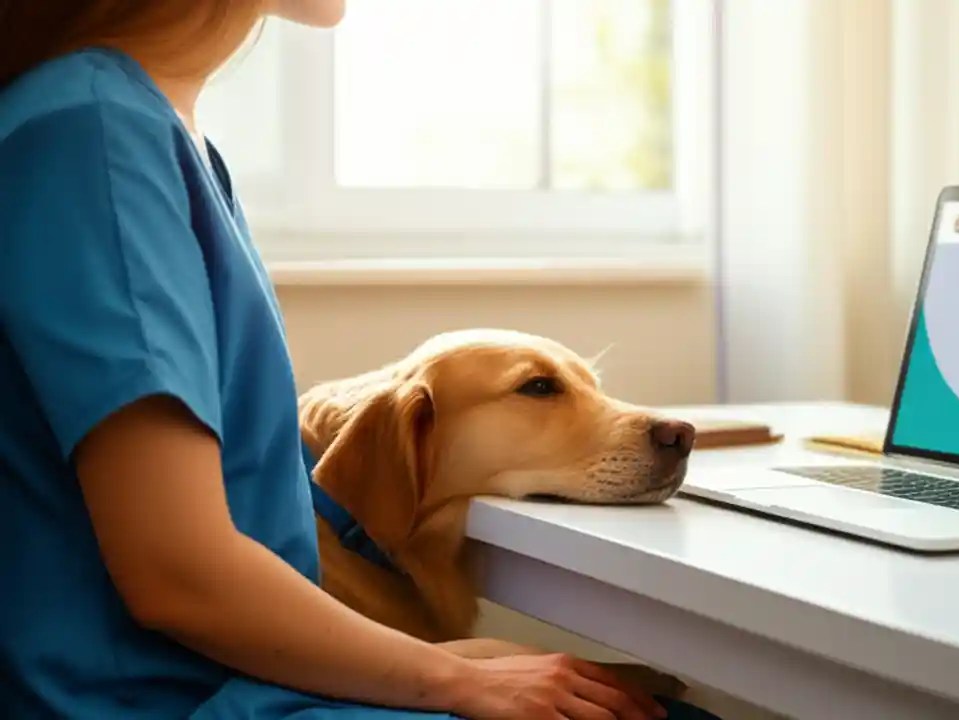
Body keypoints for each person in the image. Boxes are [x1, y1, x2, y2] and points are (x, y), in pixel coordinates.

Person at [0, 2, 720, 718]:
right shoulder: (93, 132)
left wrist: (442, 662)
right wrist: (456, 682)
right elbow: (175, 573)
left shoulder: (141, 131)